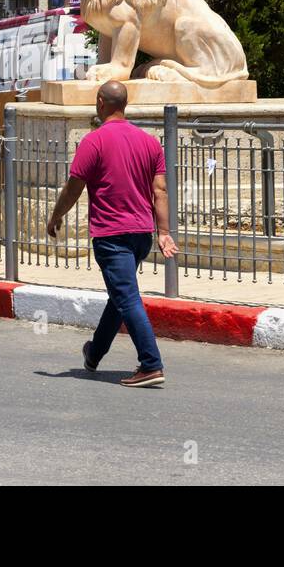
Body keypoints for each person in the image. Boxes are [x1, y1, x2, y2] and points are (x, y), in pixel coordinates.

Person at [46, 81, 177, 388]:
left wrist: (55, 216)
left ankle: (151, 363)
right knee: (119, 296)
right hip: (141, 234)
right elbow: (160, 190)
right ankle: (94, 353)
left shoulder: (94, 141)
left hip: (112, 234)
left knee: (127, 297)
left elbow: (74, 186)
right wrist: (164, 232)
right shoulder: (149, 142)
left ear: (101, 102)